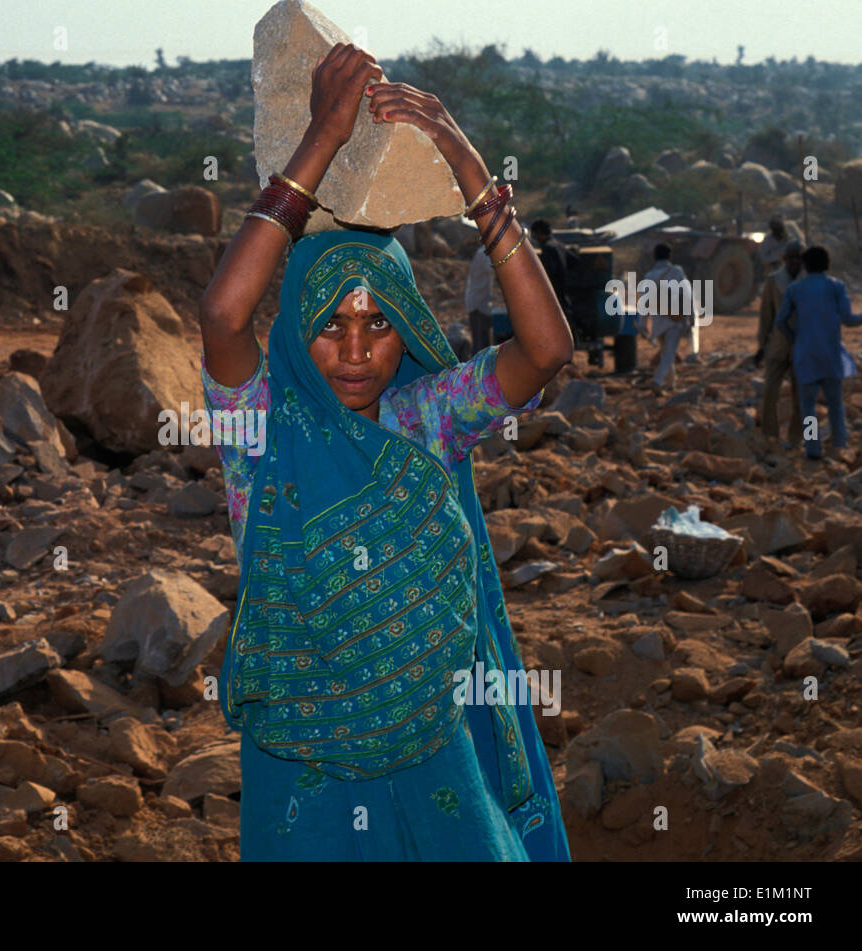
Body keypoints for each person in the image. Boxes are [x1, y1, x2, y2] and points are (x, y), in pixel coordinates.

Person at [199, 42, 572, 862]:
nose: (358, 349)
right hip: (305, 764)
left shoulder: (424, 421)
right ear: (298, 329)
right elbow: (224, 318)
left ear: (406, 328)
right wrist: (323, 139)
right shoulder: (260, 430)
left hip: (430, 752)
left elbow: (543, 352)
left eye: (378, 323)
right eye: (332, 324)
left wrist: (476, 181)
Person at [774, 245, 862, 460]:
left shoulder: (795, 289)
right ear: (827, 264)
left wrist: (795, 339)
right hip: (831, 353)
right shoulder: (836, 287)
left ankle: (812, 447)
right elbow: (848, 319)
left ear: (805, 265)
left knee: (808, 406)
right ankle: (839, 443)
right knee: (835, 403)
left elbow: (780, 321)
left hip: (806, 353)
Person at [755, 240, 804, 447]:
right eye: (790, 257)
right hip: (777, 345)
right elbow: (766, 316)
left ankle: (803, 439)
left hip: (803, 348)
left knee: (804, 399)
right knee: (770, 393)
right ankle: (770, 435)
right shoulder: (774, 281)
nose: (794, 262)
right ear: (784, 259)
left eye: (798, 258)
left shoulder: (810, 281)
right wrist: (761, 346)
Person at [638, 243, 692, 393]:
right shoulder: (676, 272)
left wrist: (642, 325)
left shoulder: (649, 276)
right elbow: (687, 295)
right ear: (670, 256)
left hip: (658, 322)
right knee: (669, 354)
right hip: (675, 320)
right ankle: (657, 382)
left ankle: (671, 383)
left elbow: (644, 304)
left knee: (666, 353)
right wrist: (691, 317)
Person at [464, 243, 494, 355]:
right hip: (478, 303)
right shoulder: (483, 253)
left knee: (483, 339)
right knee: (480, 343)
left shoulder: (484, 252)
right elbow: (494, 268)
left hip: (481, 301)